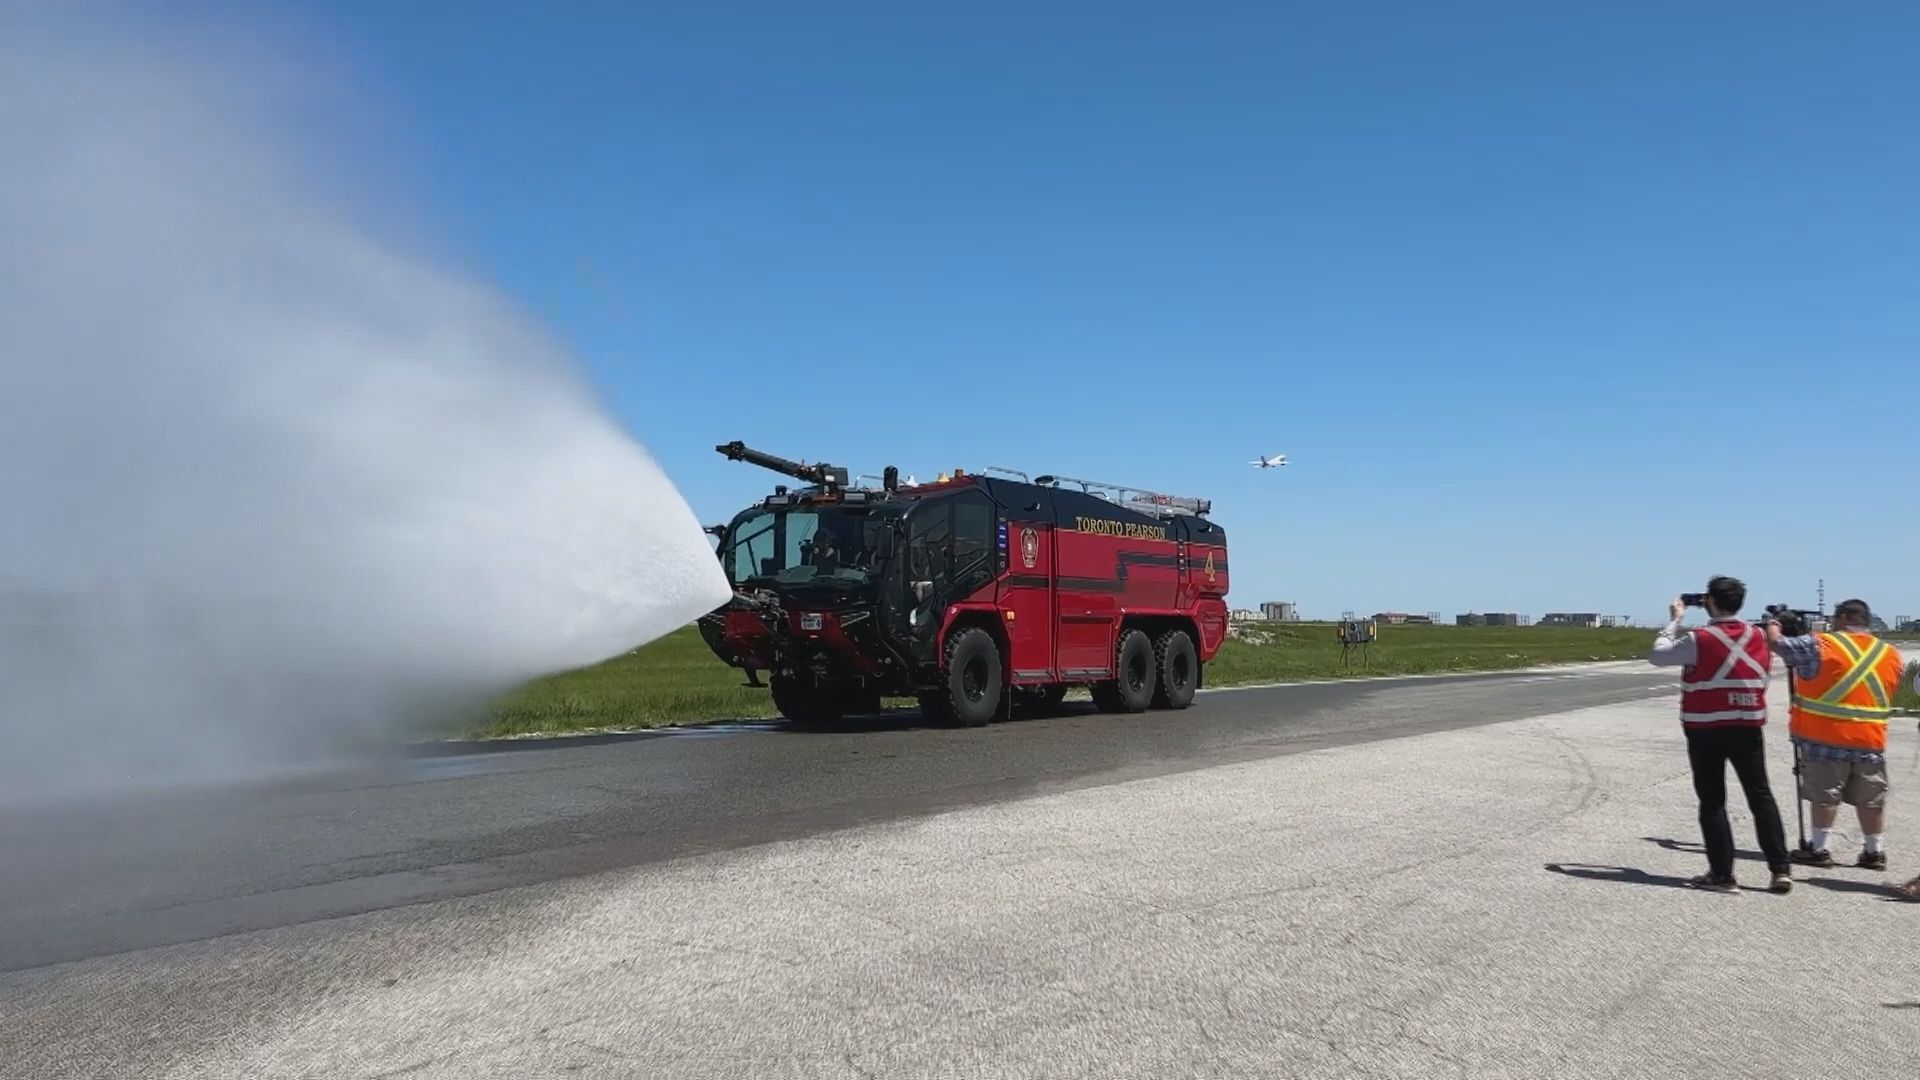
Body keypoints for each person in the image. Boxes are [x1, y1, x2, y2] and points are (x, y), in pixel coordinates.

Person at [1647, 575, 1793, 893]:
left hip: (1705, 727)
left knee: (1713, 801)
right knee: (1760, 796)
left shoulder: (1700, 638)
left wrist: (1674, 622)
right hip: (1747, 724)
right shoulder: (1757, 635)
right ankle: (1780, 868)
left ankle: (1722, 874)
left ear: (1710, 602)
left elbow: (1658, 655)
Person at [1766, 598, 1907, 872]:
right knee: (1871, 799)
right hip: (1870, 739)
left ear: (1842, 618)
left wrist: (1774, 624)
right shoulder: (1889, 653)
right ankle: (1873, 851)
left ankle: (1819, 849)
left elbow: (1778, 645)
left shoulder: (1822, 644)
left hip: (1826, 737)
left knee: (1825, 796)